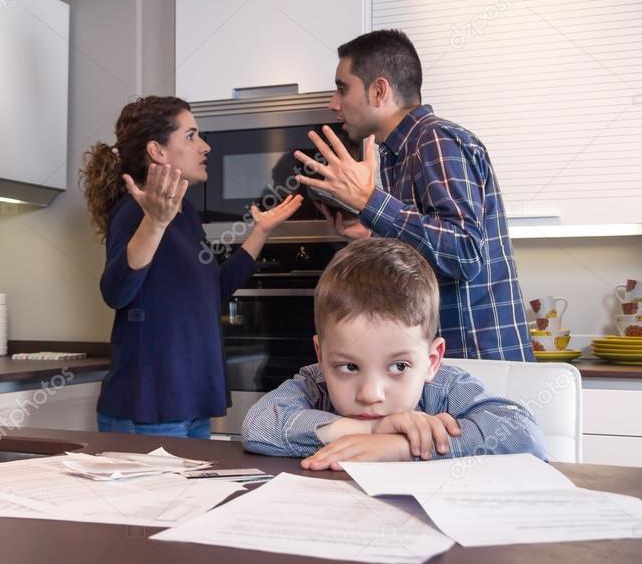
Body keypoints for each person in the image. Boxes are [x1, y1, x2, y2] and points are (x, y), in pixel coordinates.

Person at [294, 30, 533, 361]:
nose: (333, 103)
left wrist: (369, 202)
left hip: (478, 363)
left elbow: (464, 252)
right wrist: (371, 232)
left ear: (379, 91)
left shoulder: (435, 139)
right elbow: (431, 254)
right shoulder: (397, 154)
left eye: (342, 88)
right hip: (447, 363)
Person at [80, 96, 302, 438]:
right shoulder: (135, 212)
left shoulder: (185, 217)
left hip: (191, 406)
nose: (204, 146)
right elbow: (116, 291)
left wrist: (261, 231)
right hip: (150, 410)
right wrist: (154, 223)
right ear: (158, 151)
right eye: (191, 136)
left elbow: (215, 289)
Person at [241, 237, 547, 468]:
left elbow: (523, 435)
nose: (371, 394)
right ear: (321, 356)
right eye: (348, 367)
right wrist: (371, 429)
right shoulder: (314, 382)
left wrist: (400, 447)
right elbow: (258, 426)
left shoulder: (446, 388)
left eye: (399, 366)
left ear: (432, 361)